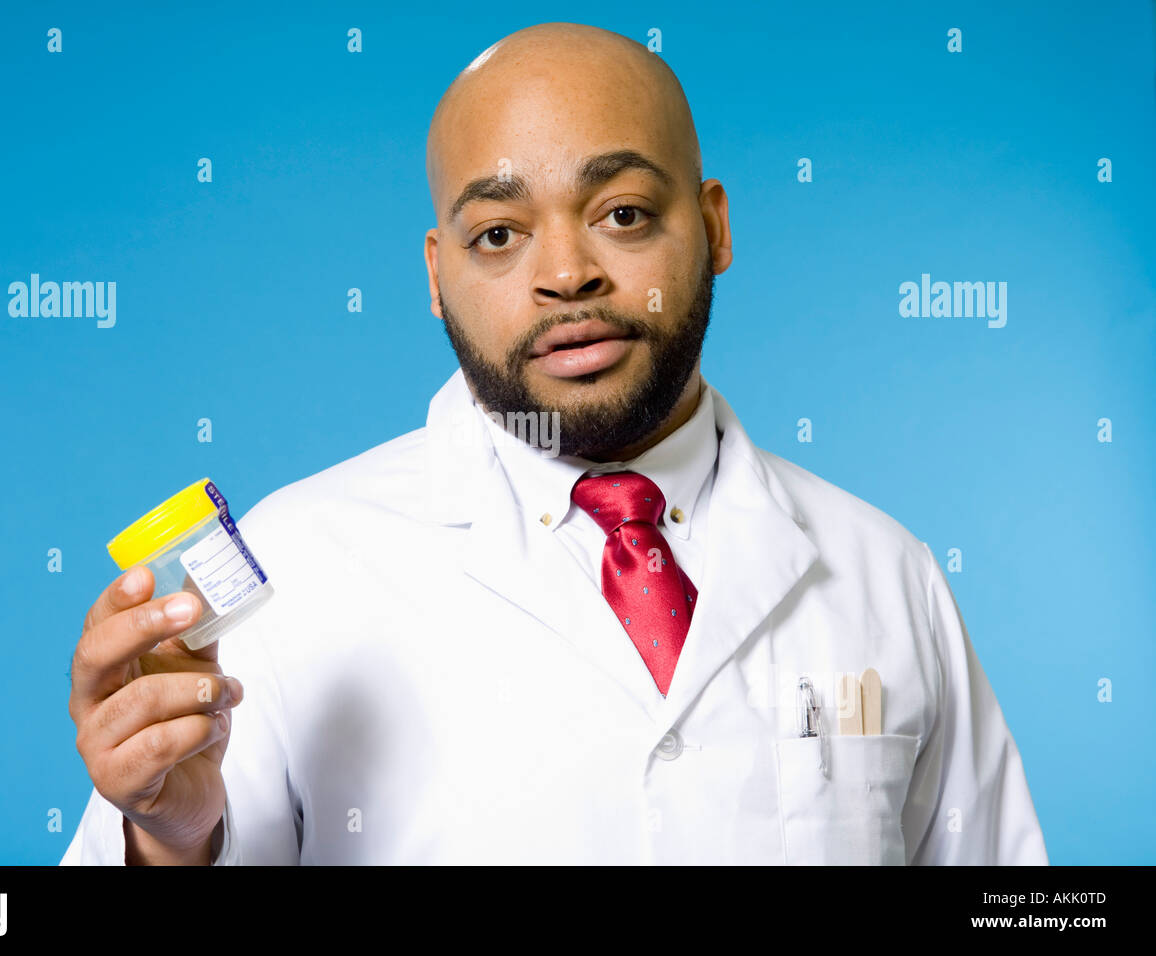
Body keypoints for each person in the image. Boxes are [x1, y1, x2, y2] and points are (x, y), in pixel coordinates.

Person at [61, 21, 1048, 865]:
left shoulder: (885, 571)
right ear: (437, 276)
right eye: (499, 234)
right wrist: (170, 839)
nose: (566, 273)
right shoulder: (299, 567)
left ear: (712, 227)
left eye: (621, 213)